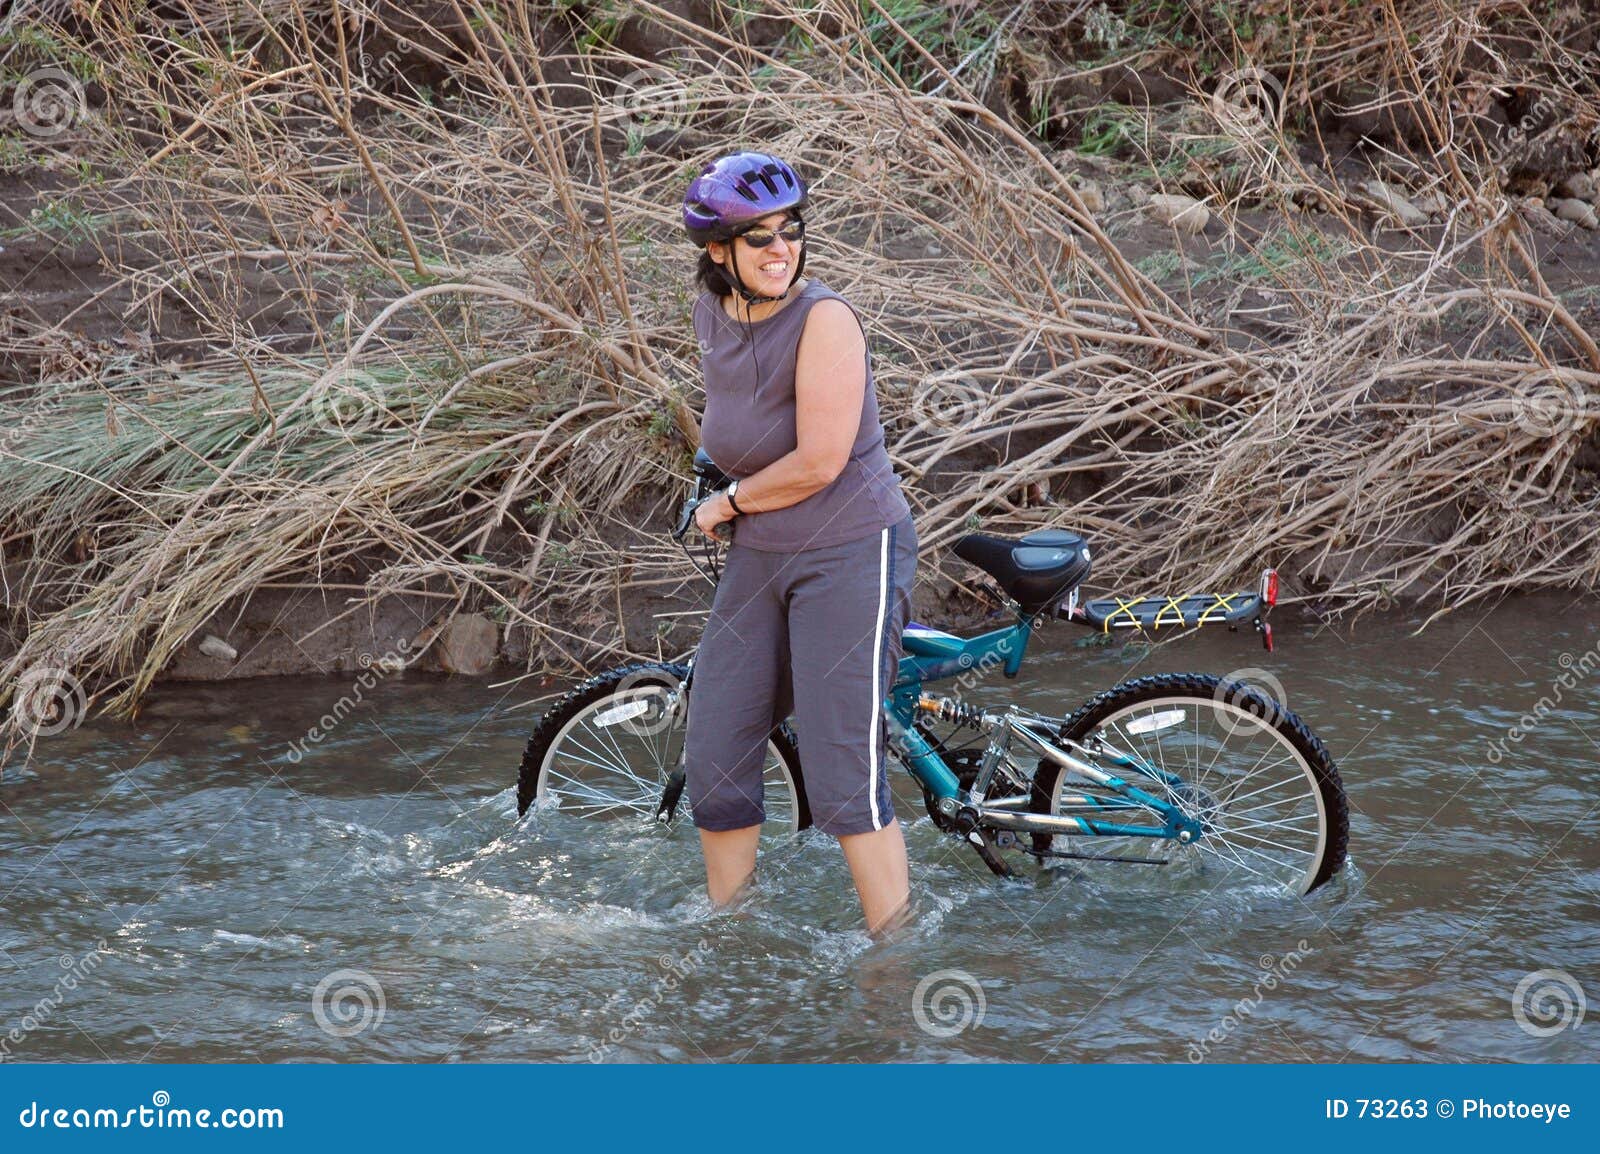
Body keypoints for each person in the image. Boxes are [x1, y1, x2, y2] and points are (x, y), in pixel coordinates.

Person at [679, 151, 919, 937]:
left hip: (849, 547)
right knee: (714, 750)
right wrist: (719, 478)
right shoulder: (713, 312)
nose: (781, 250)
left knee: (841, 765)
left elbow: (818, 461)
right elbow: (738, 416)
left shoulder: (825, 320)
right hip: (762, 551)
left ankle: (894, 953)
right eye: (758, 239)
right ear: (719, 253)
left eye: (791, 232)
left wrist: (729, 503)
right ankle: (731, 936)